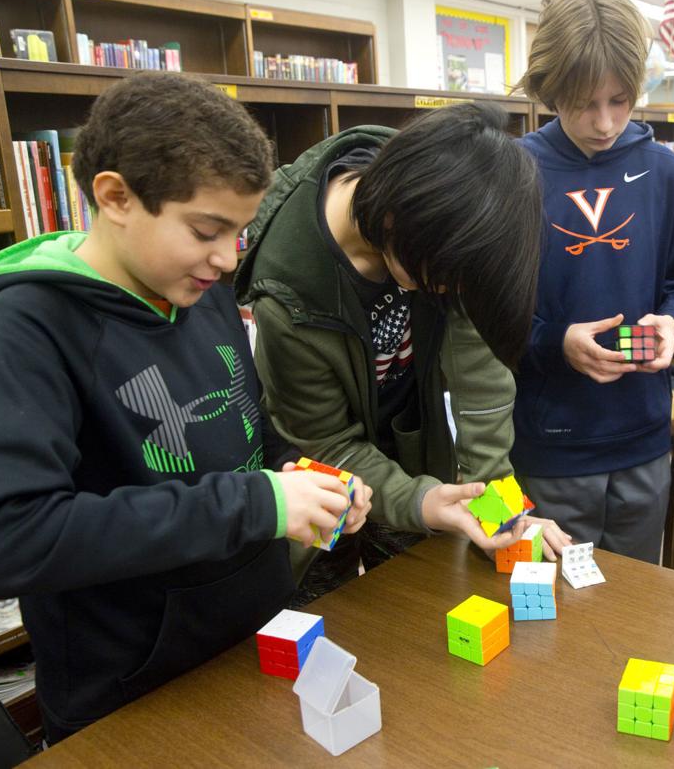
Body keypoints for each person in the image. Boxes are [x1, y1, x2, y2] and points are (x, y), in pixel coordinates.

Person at [0, 72, 373, 742]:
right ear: (116, 196)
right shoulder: (27, 327)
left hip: (254, 646)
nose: (225, 256)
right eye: (207, 228)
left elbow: (242, 430)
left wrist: (301, 480)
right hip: (132, 695)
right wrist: (258, 503)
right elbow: (7, 541)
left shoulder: (196, 285)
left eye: (237, 231)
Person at [234, 101, 569, 595]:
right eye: (442, 283)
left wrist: (503, 510)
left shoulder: (443, 212)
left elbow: (482, 382)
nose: (446, 292)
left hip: (409, 441)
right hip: (320, 474)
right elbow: (327, 443)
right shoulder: (288, 299)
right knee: (335, 605)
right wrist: (419, 500)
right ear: (394, 224)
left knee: (425, 600)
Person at [511, 0, 674, 563]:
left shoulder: (667, 174)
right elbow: (483, 312)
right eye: (584, 103)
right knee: (547, 604)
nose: (604, 122)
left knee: (634, 604)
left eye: (620, 101)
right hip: (549, 444)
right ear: (549, 90)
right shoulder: (513, 175)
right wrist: (554, 342)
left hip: (644, 440)